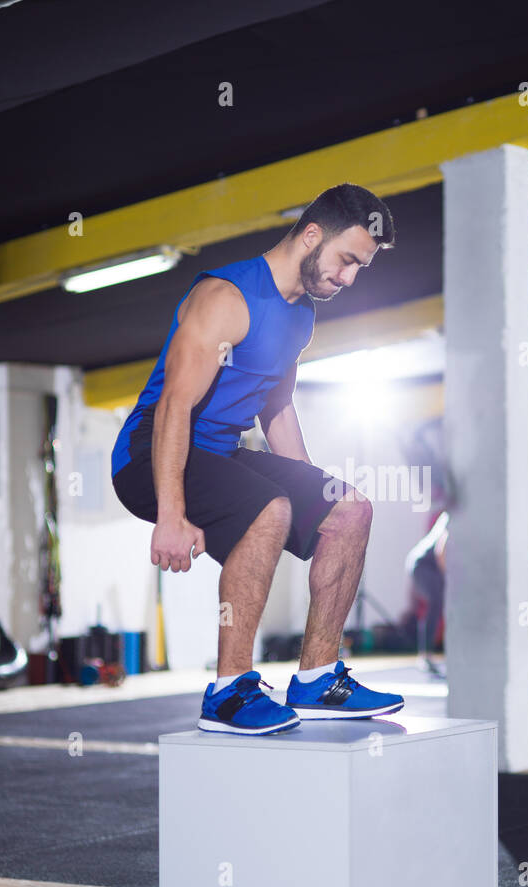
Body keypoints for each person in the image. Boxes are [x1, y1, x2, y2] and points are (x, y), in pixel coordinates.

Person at [111, 184, 403, 735]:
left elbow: (278, 409)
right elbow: (175, 404)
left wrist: (315, 495)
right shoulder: (226, 297)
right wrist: (171, 516)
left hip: (220, 454)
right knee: (266, 507)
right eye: (346, 260)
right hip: (149, 451)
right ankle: (229, 690)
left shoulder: (301, 318)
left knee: (349, 509)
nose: (348, 278)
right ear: (312, 234)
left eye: (360, 268)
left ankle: (317, 678)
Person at [405, 510, 448, 674]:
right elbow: (441, 549)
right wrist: (447, 577)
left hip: (432, 566)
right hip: (423, 564)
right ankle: (425, 656)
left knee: (440, 604)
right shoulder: (453, 516)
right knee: (436, 604)